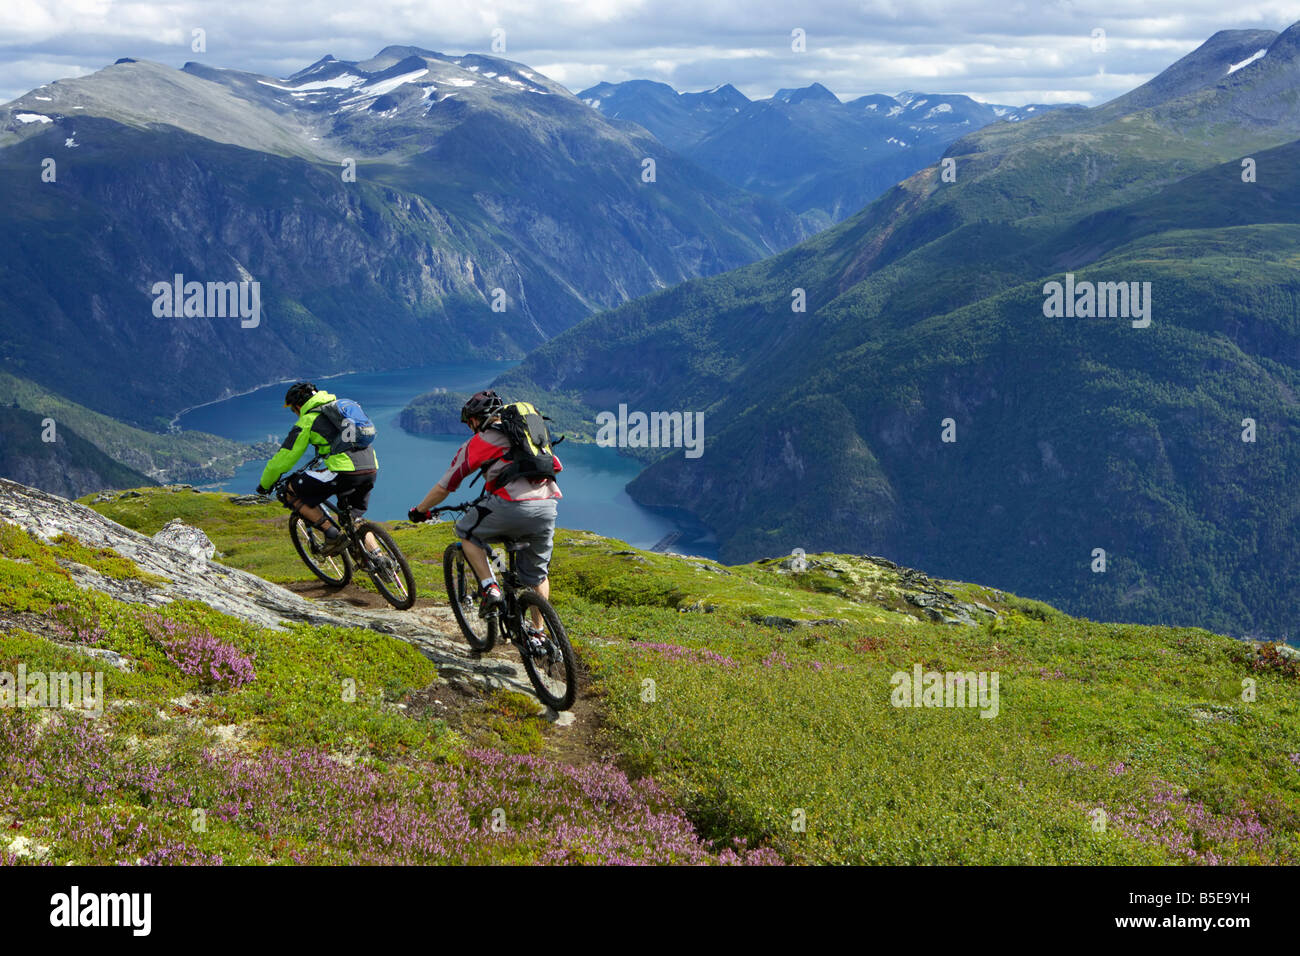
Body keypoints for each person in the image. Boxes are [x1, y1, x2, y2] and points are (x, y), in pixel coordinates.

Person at [408, 390, 562, 623]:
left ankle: (491, 588)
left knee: (466, 533)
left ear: (478, 419)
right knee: (537, 576)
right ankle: (539, 634)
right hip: (548, 506)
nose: (470, 427)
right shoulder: (529, 435)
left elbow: (445, 487)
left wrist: (419, 511)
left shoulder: (480, 441)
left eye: (470, 422)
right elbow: (555, 467)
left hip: (510, 506)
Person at [255, 381, 382, 560]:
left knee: (288, 492)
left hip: (345, 472)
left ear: (299, 406)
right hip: (370, 468)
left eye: (293, 410)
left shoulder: (308, 419)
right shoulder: (340, 410)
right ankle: (381, 559)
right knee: (353, 519)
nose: (295, 414)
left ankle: (332, 535)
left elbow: (283, 459)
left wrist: (264, 484)